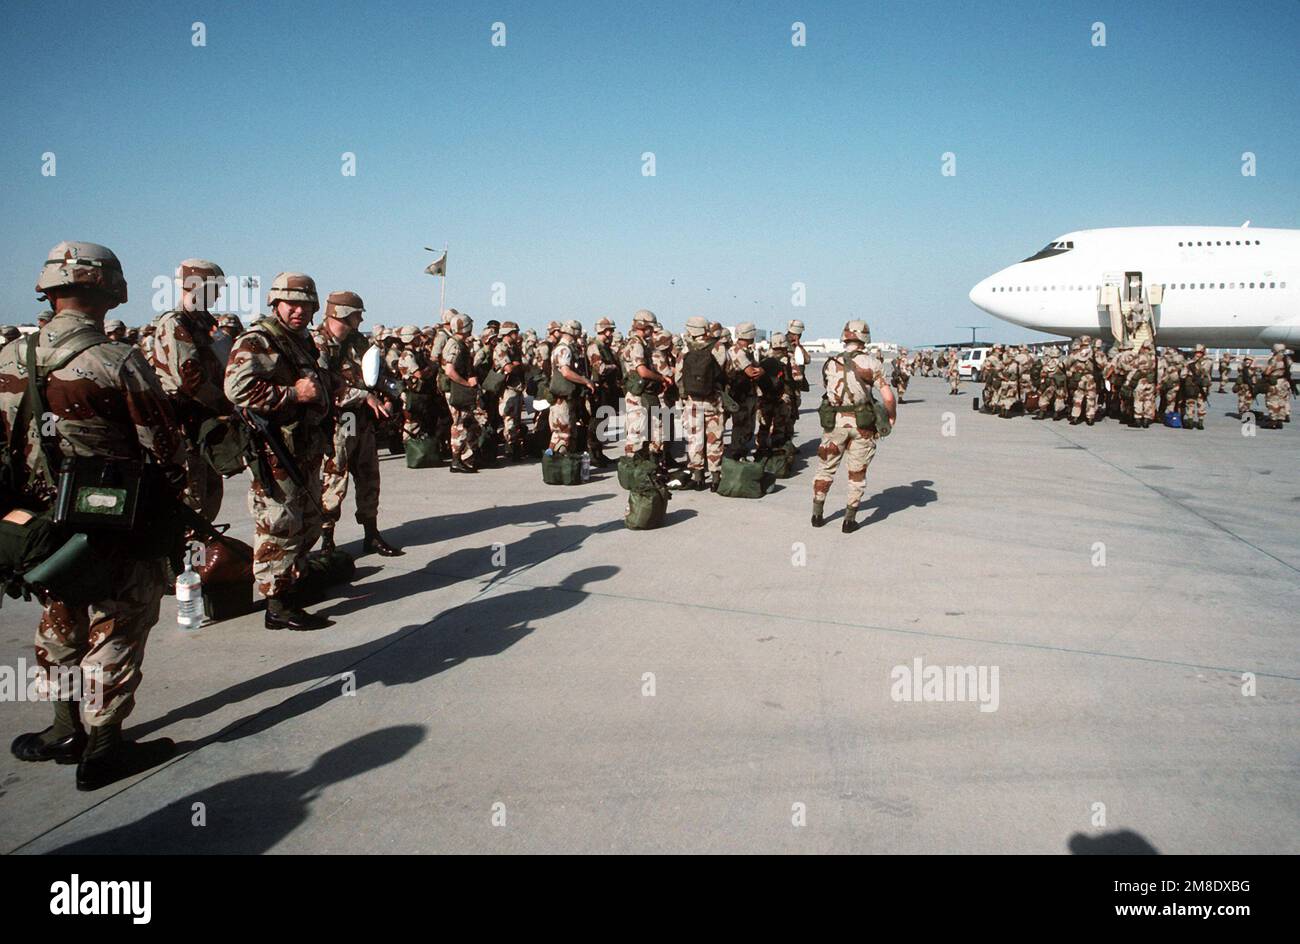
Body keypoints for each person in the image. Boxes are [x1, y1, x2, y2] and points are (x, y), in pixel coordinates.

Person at [1, 241, 185, 789]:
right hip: (114, 523)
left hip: (41, 526)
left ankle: (64, 729)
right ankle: (104, 749)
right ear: (111, 290)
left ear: (49, 289)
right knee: (118, 626)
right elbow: (166, 449)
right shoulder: (116, 361)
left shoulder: (10, 358)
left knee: (60, 621)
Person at [223, 272, 333, 631]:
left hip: (305, 447)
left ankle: (293, 584)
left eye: (306, 305)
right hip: (276, 451)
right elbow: (237, 390)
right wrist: (293, 394)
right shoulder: (258, 340)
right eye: (291, 304)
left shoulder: (301, 341)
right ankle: (277, 604)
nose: (299, 311)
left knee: (309, 521)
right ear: (275, 304)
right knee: (279, 524)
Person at [313, 291, 402, 557]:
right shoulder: (317, 343)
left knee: (369, 477)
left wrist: (391, 396)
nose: (361, 320)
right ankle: (327, 540)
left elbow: (379, 375)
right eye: (356, 315)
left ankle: (371, 535)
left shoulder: (358, 342)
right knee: (334, 480)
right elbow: (322, 387)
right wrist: (364, 396)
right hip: (337, 423)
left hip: (362, 422)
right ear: (342, 314)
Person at [151, 259, 230, 520]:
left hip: (208, 422)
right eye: (215, 288)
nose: (219, 294)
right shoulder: (175, 323)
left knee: (211, 497)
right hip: (186, 424)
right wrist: (228, 403)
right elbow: (190, 380)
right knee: (192, 499)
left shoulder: (206, 321)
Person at [811, 320, 896, 533]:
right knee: (857, 473)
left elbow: (828, 389)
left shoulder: (830, 363)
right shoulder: (872, 363)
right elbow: (887, 396)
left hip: (834, 424)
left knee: (825, 468)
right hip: (862, 425)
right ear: (865, 338)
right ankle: (849, 520)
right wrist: (891, 416)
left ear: (845, 337)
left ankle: (817, 514)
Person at [678, 315, 726, 491]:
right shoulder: (718, 347)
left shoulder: (686, 349)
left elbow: (678, 376)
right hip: (713, 400)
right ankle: (715, 478)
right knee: (715, 438)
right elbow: (725, 371)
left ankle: (698, 478)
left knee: (694, 439)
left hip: (692, 402)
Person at [441, 312, 482, 472]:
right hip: (457, 390)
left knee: (467, 423)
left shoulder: (458, 343)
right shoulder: (455, 345)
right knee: (460, 425)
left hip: (458, 389)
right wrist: (467, 384)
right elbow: (449, 371)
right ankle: (456, 460)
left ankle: (466, 457)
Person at [548, 319, 595, 454]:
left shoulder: (562, 348)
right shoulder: (564, 349)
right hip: (563, 399)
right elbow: (566, 372)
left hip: (565, 398)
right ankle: (557, 463)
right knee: (563, 437)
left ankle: (559, 462)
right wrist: (585, 381)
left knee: (563, 435)